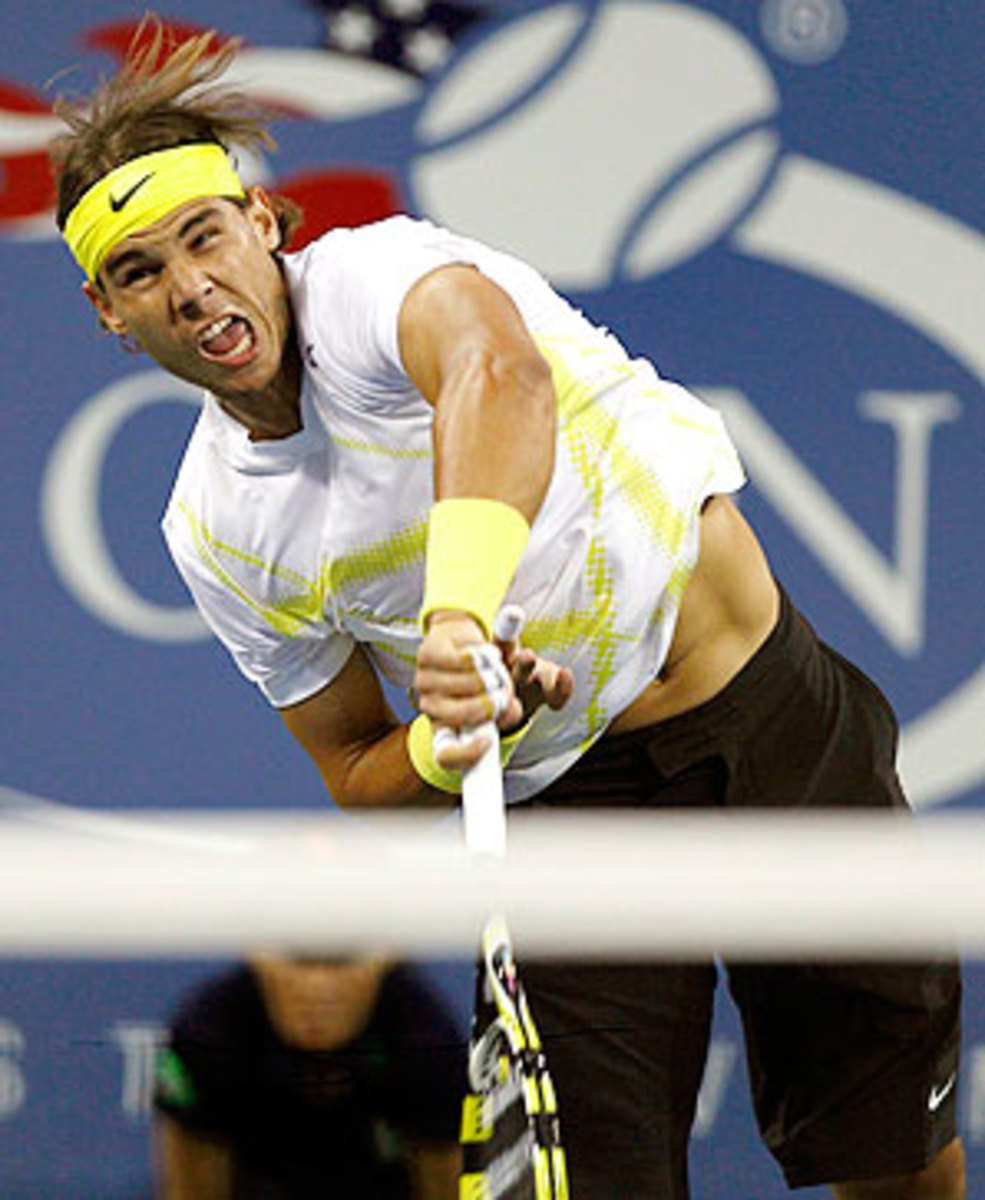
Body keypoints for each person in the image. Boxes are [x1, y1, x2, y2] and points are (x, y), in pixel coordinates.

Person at [50, 17, 964, 1198]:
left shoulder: (377, 279)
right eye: (139, 271)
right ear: (106, 310)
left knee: (894, 1161)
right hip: (569, 815)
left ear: (264, 222)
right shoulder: (217, 529)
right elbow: (353, 771)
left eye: (203, 236)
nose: (190, 288)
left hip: (769, 710)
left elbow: (500, 374)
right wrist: (448, 740)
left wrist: (455, 616)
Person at [152, 954, 464, 1198]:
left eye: (341, 963)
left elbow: (446, 1187)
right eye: (298, 961)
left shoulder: (426, 1041)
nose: (317, 988)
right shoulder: (210, 1033)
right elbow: (188, 1190)